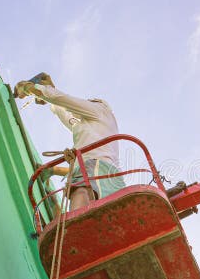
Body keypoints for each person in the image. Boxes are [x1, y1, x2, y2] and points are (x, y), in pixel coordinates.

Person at [15, 74, 125, 210]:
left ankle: (75, 227)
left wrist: (28, 88)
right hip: (109, 177)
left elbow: (65, 101)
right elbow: (63, 109)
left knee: (80, 189)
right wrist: (49, 91)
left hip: (96, 166)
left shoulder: (100, 109)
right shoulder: (89, 126)